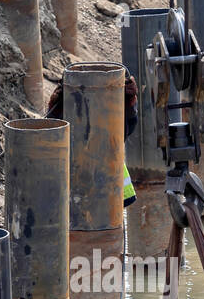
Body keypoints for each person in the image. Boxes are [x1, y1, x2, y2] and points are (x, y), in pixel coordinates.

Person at [45, 71, 139, 207]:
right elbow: (128, 128)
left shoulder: (67, 110)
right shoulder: (110, 118)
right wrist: (129, 103)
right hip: (102, 199)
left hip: (84, 199)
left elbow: (50, 130)